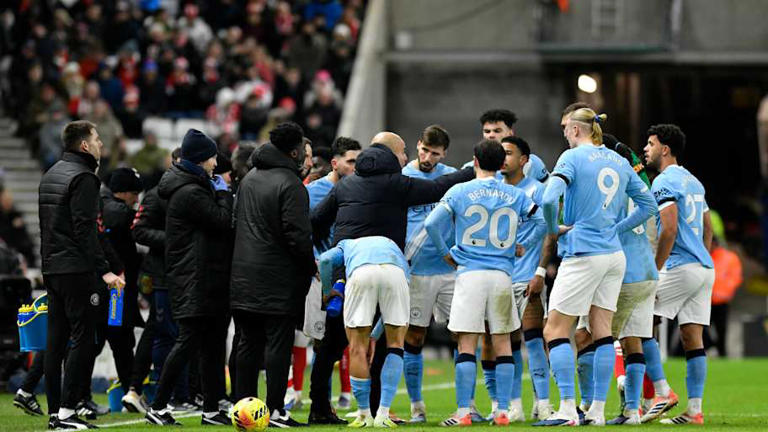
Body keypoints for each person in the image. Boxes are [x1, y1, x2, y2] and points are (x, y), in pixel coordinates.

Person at [309, 131, 474, 422]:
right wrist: (471, 171)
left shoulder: (346, 186)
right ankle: (379, 411)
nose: (406, 157)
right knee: (388, 345)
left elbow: (316, 221)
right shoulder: (398, 184)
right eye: (403, 152)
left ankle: (328, 409)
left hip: (347, 271)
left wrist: (328, 253)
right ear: (391, 154)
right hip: (391, 267)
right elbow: (437, 188)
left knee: (334, 345)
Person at [534, 108, 656, 426]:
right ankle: (598, 412)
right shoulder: (619, 160)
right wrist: (618, 228)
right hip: (614, 256)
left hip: (583, 252)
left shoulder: (571, 158)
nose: (564, 134)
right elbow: (649, 205)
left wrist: (553, 228)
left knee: (555, 329)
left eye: (566, 130)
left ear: (576, 130)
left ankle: (567, 409)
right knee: (603, 333)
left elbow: (549, 200)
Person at [425, 139, 545, 426]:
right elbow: (541, 221)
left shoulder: (460, 190)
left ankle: (464, 413)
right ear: (501, 164)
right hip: (502, 275)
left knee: (467, 343)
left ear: (475, 161)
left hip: (470, 274)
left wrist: (446, 253)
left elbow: (431, 224)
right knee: (503, 342)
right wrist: (520, 245)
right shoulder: (514, 194)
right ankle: (503, 412)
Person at [38, 120, 125, 430]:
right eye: (98, 139)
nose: (102, 144)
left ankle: (54, 414)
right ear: (85, 145)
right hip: (77, 270)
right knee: (84, 339)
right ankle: (67, 412)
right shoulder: (84, 178)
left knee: (55, 341)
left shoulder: (50, 175)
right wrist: (104, 271)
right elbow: (85, 229)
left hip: (52, 268)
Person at [230, 122, 317, 427]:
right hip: (277, 278)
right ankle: (276, 410)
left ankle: (242, 409)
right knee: (278, 345)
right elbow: (297, 236)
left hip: (242, 276)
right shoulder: (290, 184)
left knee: (247, 344)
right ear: (294, 151)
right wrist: (310, 267)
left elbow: (235, 223)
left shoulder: (249, 178)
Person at [145, 129, 233, 427]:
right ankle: (158, 405)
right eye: (211, 158)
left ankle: (210, 409)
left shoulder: (188, 185)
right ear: (199, 160)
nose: (215, 165)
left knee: (210, 347)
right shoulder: (190, 192)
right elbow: (222, 221)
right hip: (195, 277)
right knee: (187, 342)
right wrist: (223, 193)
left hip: (203, 275)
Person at [640, 124, 715, 425]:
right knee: (691, 337)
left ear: (665, 149)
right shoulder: (693, 181)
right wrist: (702, 257)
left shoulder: (663, 182)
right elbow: (708, 228)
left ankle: (662, 392)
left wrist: (655, 269)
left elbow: (668, 229)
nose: (646, 149)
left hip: (680, 266)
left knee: (638, 320)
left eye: (650, 143)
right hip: (703, 268)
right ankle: (694, 410)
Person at [318, 236, 410, 428]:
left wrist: (327, 292)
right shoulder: (392, 244)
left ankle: (364, 415)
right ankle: (383, 414)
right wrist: (376, 335)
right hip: (396, 273)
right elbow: (406, 279)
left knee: (357, 348)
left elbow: (325, 260)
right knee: (396, 345)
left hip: (361, 272)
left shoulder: (346, 244)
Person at [399, 125, 457, 423]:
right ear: (417, 145)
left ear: (443, 153)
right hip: (416, 271)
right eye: (424, 150)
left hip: (449, 269)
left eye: (434, 153)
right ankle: (416, 406)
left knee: (464, 334)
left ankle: (466, 405)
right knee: (415, 335)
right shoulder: (403, 176)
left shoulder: (453, 176)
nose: (428, 157)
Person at [303, 136, 361, 425]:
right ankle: (319, 405)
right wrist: (311, 261)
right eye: (350, 161)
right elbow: (303, 230)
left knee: (335, 344)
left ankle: (325, 406)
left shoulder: (358, 190)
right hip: (320, 280)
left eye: (357, 161)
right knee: (323, 343)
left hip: (349, 278)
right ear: (335, 163)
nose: (355, 166)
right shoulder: (314, 192)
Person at [498, 136, 556, 421]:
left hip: (527, 277)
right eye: (500, 153)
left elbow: (548, 229)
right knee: (507, 344)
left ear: (524, 161)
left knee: (533, 340)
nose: (503, 158)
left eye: (509, 153)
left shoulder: (537, 191)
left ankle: (543, 404)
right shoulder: (493, 189)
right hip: (498, 277)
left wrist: (539, 271)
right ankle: (515, 407)